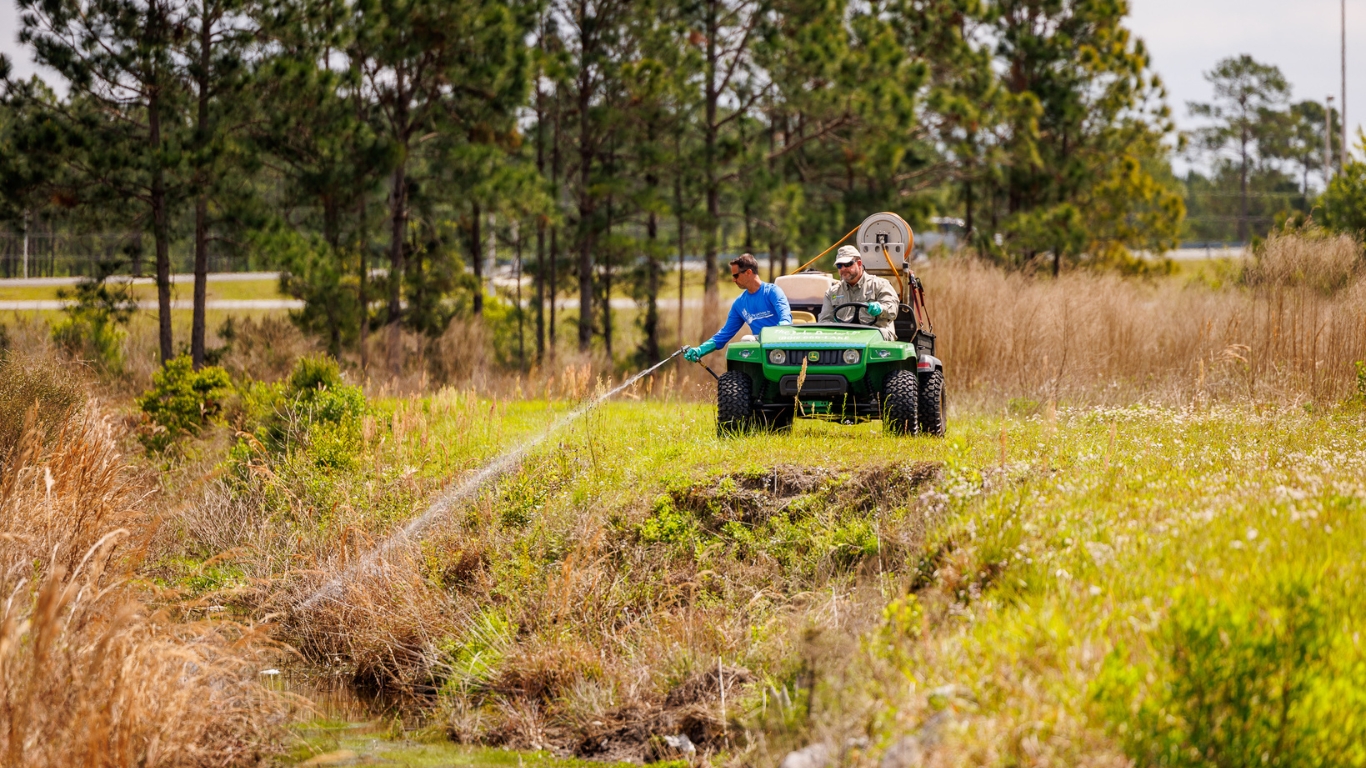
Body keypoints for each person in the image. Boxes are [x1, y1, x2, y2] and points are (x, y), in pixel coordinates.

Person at [684, 253, 792, 361]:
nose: (733, 280)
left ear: (748, 272)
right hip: (761, 353)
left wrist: (776, 333)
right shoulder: (739, 304)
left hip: (783, 349)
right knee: (746, 342)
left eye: (736, 276)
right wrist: (700, 350)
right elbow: (724, 334)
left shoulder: (773, 292)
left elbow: (785, 317)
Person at [818, 245, 899, 340]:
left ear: (859, 263)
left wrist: (881, 308)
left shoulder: (880, 285)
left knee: (880, 334)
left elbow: (893, 310)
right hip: (844, 337)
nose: (843, 268)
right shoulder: (832, 292)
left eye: (847, 264)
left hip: (875, 334)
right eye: (839, 265)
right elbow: (824, 321)